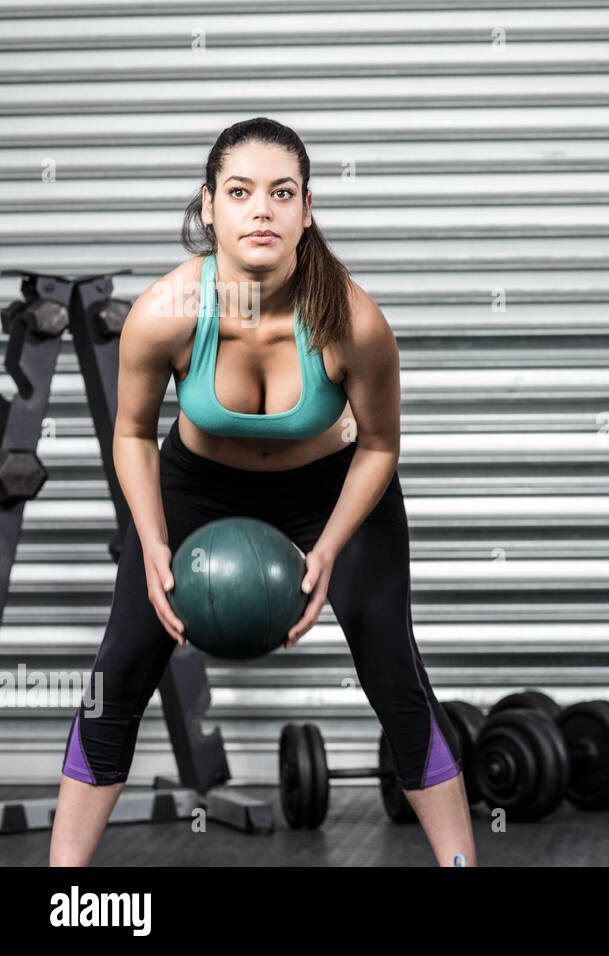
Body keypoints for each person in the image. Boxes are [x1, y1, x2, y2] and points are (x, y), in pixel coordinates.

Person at [50, 117, 476, 866]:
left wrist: (329, 549)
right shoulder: (166, 315)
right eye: (240, 191)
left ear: (307, 209)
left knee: (396, 675)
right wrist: (150, 539)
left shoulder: (354, 323)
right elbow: (131, 435)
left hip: (333, 488)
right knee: (114, 677)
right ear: (208, 206)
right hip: (196, 487)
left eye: (282, 193)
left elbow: (379, 445)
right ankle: (64, 893)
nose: (262, 210)